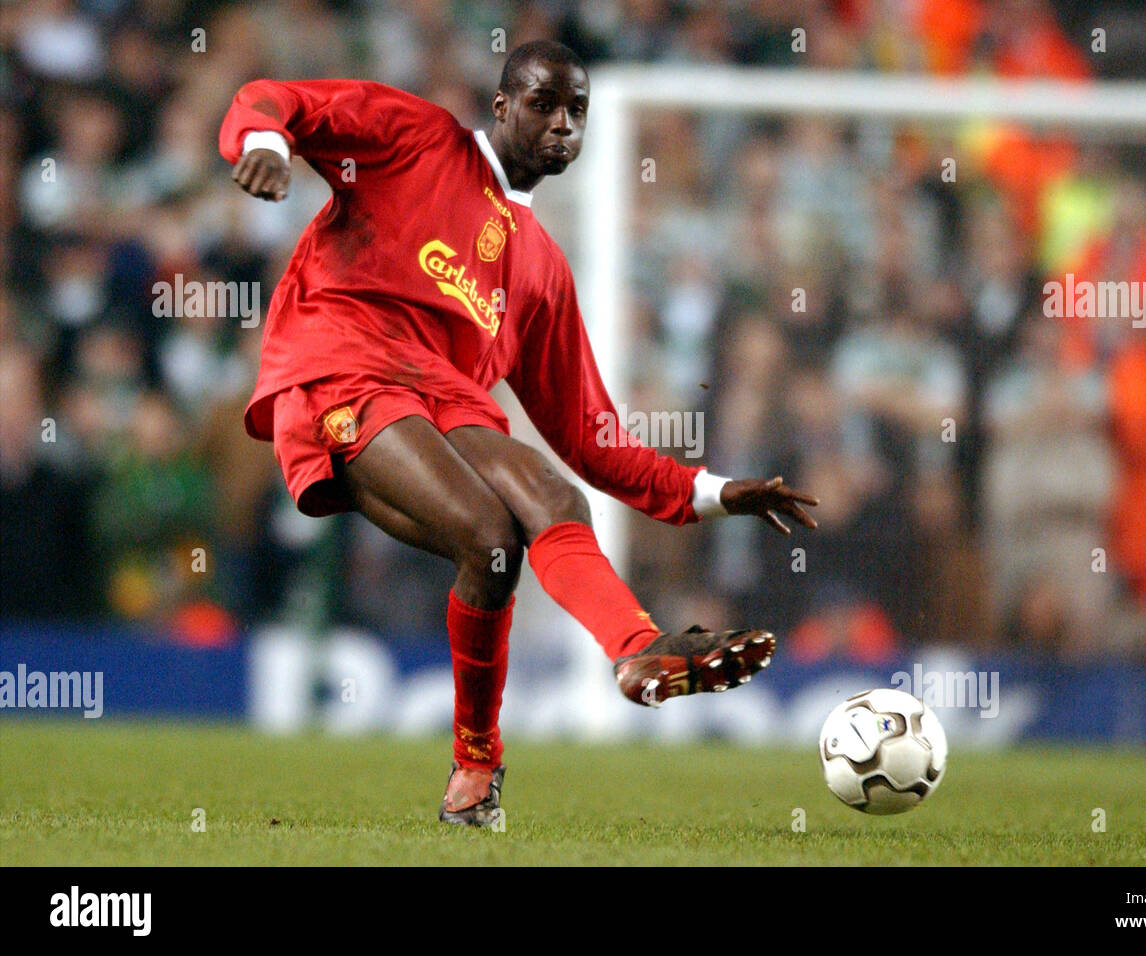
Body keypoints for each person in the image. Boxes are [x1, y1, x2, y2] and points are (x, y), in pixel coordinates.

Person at [218, 40, 817, 826]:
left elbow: (593, 436)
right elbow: (275, 97)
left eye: (577, 112)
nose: (562, 125)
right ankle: (484, 756)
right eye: (543, 104)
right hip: (342, 365)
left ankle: (622, 662)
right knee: (487, 531)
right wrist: (264, 143)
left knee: (549, 498)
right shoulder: (418, 138)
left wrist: (712, 491)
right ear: (501, 107)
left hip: (444, 398)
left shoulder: (539, 268)